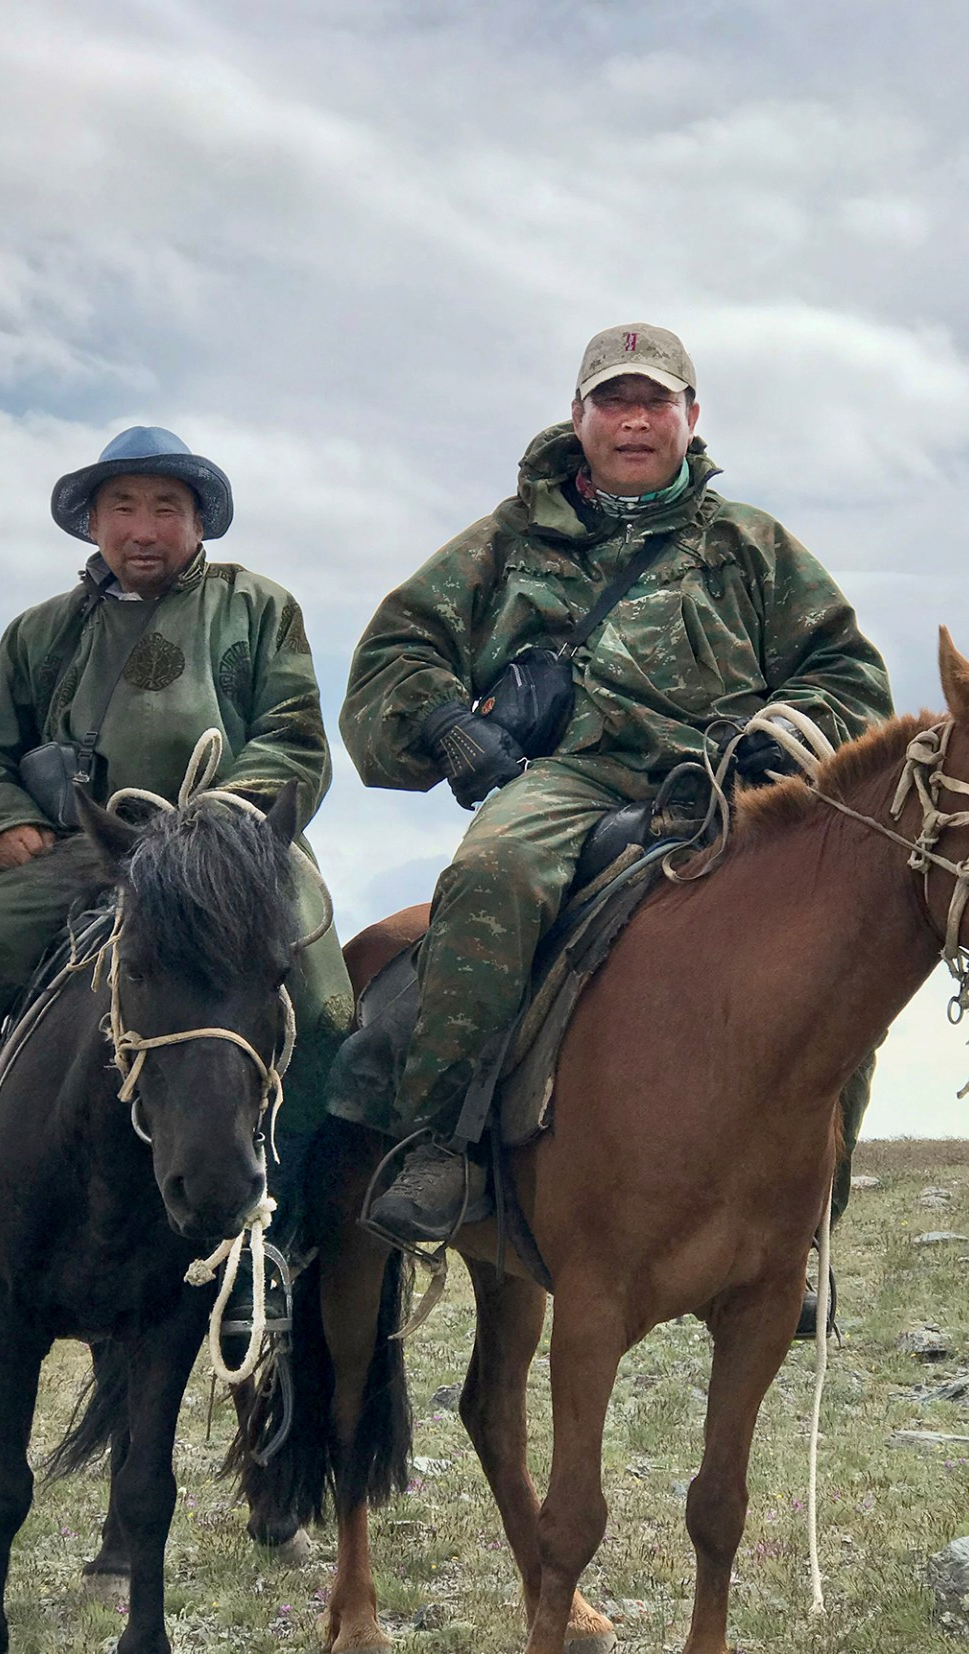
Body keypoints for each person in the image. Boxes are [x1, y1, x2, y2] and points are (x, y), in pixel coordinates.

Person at [341, 324, 893, 1250]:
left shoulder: (753, 544)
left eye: (655, 402)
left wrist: (780, 729)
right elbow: (394, 655)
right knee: (491, 873)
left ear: (690, 418)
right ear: (578, 415)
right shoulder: (506, 541)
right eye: (613, 401)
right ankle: (437, 1144)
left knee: (839, 939)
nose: (634, 419)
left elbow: (845, 672)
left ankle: (810, 1221)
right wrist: (445, 721)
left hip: (732, 785)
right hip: (572, 778)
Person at [0, 426, 352, 1270]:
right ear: (93, 522)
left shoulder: (259, 608)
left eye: (167, 507)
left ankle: (283, 1223)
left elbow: (293, 735)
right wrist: (1, 822)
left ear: (199, 521)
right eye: (123, 506)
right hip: (91, 849)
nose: (144, 528)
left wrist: (221, 827)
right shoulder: (43, 633)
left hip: (235, 853)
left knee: (323, 1007)